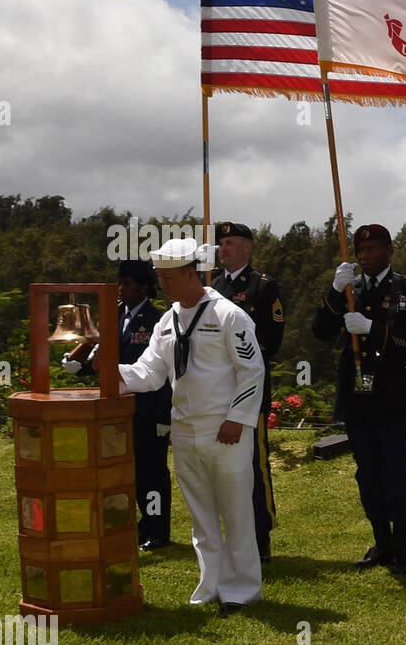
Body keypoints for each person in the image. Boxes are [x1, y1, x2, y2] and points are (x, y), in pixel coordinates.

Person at [118, 238, 267, 616]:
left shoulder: (228, 314)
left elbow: (252, 371)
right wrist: (108, 372)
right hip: (184, 430)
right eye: (159, 277)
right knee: (201, 516)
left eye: (170, 277)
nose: (163, 285)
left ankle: (242, 588)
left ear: (192, 273)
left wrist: (237, 418)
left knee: (235, 511)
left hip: (225, 428)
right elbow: (149, 374)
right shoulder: (167, 321)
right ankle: (211, 583)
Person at [313, 223, 406, 574]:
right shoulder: (350, 288)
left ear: (389, 251)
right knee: (368, 474)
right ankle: (380, 542)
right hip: (359, 396)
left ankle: (400, 546)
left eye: (373, 250)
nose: (366, 256)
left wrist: (373, 330)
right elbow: (320, 331)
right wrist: (336, 292)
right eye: (361, 251)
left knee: (398, 472)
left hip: (394, 395)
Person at [63, 259, 172, 551]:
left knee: (153, 472)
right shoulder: (114, 316)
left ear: (143, 286)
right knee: (130, 471)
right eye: (120, 283)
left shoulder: (158, 319)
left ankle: (158, 529)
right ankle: (143, 524)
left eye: (127, 284)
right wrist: (83, 356)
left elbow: (160, 372)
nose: (122, 290)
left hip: (150, 409)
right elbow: (93, 363)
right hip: (118, 409)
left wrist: (164, 415)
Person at [211, 221, 284, 561]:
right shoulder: (210, 287)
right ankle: (233, 536)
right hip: (214, 390)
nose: (223, 248)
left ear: (247, 247)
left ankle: (260, 535)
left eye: (230, 242)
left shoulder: (262, 287)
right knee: (222, 467)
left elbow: (271, 341)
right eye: (221, 243)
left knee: (253, 465)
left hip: (248, 388)